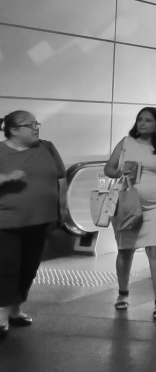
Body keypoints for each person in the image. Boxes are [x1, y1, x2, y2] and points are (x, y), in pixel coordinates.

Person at [105, 107, 156, 320]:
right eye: (140, 120)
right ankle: (123, 293)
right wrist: (121, 172)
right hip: (127, 203)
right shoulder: (126, 142)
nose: (142, 123)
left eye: (148, 120)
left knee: (155, 249)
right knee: (125, 250)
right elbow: (108, 168)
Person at [0, 112, 65, 336]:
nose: (36, 128)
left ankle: (15, 310)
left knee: (28, 267)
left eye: (36, 123)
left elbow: (60, 178)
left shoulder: (46, 147)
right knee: (6, 268)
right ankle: (1, 316)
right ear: (14, 130)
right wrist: (6, 177)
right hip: (6, 223)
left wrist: (63, 208)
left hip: (40, 220)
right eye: (30, 125)